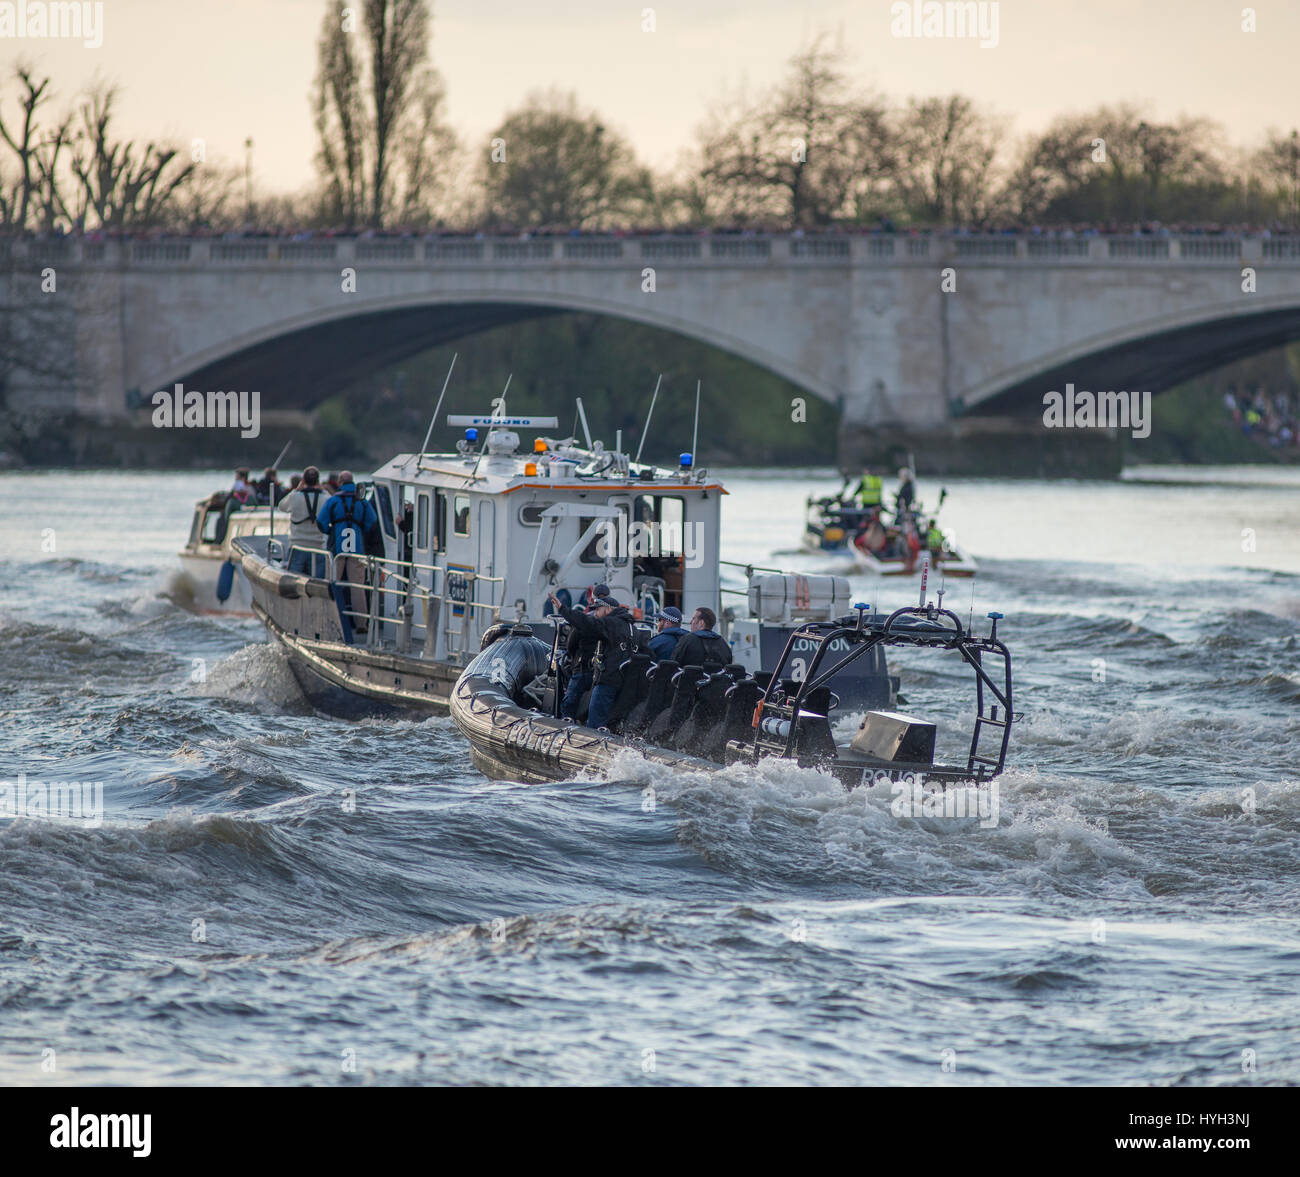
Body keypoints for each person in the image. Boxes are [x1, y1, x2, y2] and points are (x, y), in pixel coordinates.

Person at [548, 590, 635, 730]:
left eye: (598, 609)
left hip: (603, 677)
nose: (595, 613)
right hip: (624, 679)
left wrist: (562, 609)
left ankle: (566, 726)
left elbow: (578, 634)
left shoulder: (608, 624)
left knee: (576, 706)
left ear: (607, 609)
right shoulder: (631, 626)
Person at [317, 470, 380, 635]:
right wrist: (361, 531)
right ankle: (361, 623)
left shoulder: (333, 501)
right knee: (357, 587)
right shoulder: (362, 502)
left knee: (333, 584)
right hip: (357, 549)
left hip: (337, 550)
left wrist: (331, 531)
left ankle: (333, 619)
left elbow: (321, 522)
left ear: (339, 482)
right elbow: (372, 522)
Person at [281, 466, 327, 576]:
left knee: (292, 584)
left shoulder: (294, 497)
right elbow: (332, 505)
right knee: (317, 584)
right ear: (318, 481)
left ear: (303, 480)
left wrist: (296, 489)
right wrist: (323, 490)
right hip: (317, 547)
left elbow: (281, 506)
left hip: (297, 546)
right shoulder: (325, 498)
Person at [559, 606, 600, 720]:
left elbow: (571, 645)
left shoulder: (584, 623)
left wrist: (574, 660)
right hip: (599, 671)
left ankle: (566, 723)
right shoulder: (609, 625)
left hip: (583, 669)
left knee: (569, 703)